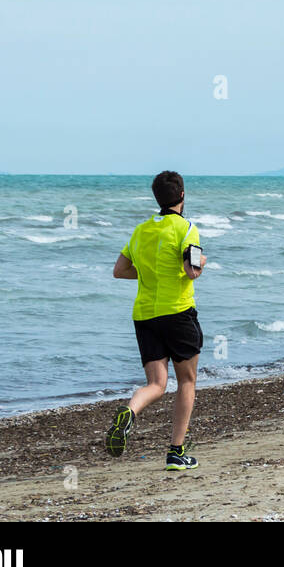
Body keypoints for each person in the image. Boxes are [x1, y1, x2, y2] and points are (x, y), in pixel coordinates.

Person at [105, 170, 206, 470]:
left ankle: (130, 411)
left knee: (156, 383)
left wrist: (150, 273)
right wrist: (203, 263)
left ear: (157, 198)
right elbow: (192, 271)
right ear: (183, 195)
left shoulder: (140, 231)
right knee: (186, 381)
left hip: (145, 315)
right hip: (178, 312)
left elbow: (119, 271)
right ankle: (176, 451)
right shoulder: (187, 229)